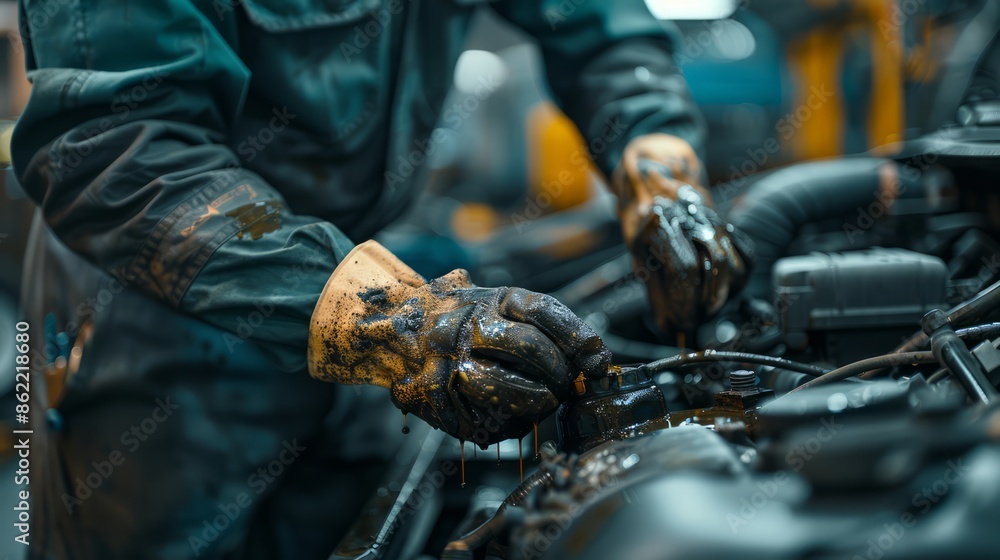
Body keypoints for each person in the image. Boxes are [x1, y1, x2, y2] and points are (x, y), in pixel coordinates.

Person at [11, 0, 748, 557]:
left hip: (367, 278)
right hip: (165, 318)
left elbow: (599, 29)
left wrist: (661, 172)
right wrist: (397, 325)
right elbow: (111, 148)